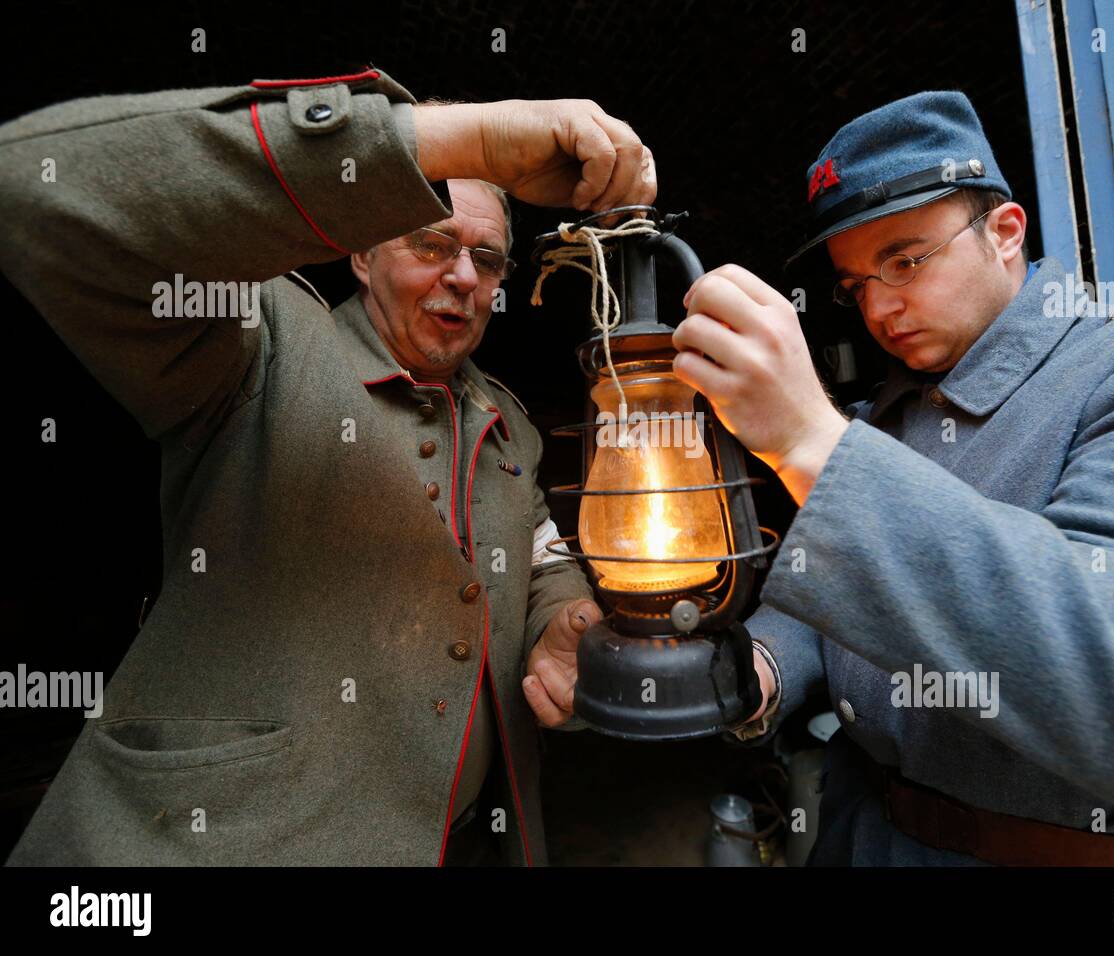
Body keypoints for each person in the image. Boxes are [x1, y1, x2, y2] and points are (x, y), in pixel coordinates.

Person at [0, 69, 654, 866]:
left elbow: (537, 546)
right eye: (430, 241)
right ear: (361, 251)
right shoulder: (256, 340)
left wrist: (562, 616)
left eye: (486, 259)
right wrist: (454, 140)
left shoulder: (509, 422)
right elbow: (38, 187)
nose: (462, 277)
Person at [670, 91, 1114, 865]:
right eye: (856, 283)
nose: (880, 307)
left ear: (1005, 234)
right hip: (863, 828)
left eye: (904, 259)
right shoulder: (888, 415)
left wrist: (807, 436)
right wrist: (758, 666)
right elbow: (840, 585)